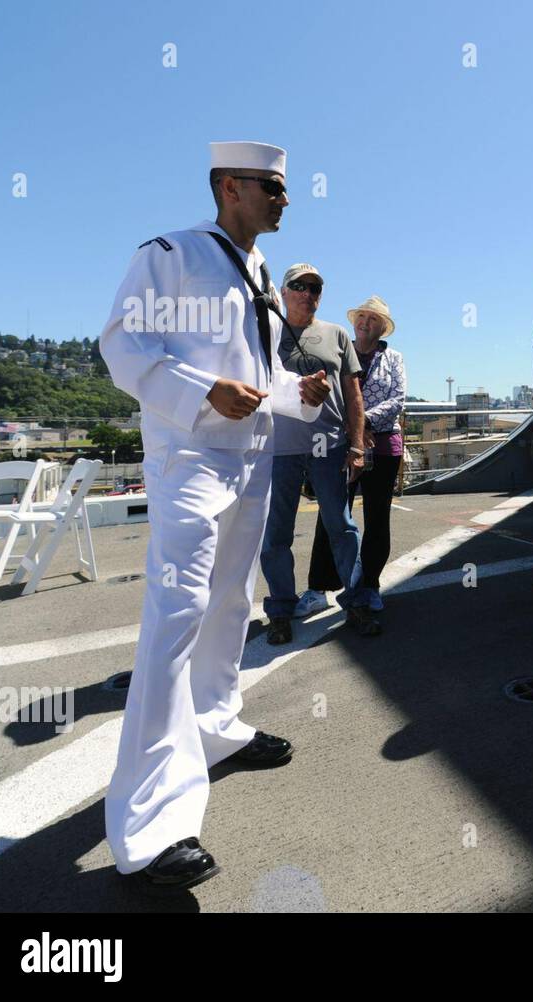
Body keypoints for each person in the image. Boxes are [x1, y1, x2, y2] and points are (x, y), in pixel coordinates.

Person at [100, 141, 332, 891]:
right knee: (177, 617)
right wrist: (203, 391)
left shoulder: (260, 272)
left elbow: (257, 377)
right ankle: (151, 825)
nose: (284, 199)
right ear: (230, 187)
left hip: (251, 458)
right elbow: (121, 345)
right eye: (272, 187)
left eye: (285, 189)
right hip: (192, 459)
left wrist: (300, 391)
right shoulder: (169, 253)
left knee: (234, 603)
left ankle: (217, 729)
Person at [260, 266, 380, 642]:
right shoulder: (266, 332)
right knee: (277, 532)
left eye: (315, 288)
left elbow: (354, 393)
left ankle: (357, 601)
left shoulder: (337, 335)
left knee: (341, 526)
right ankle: (281, 608)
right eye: (299, 286)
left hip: (329, 445)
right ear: (284, 290)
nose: (308, 293)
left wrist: (357, 445)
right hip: (279, 448)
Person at [306, 296, 409, 613]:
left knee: (378, 518)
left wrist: (363, 423)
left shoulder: (394, 359)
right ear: (354, 321)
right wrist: (353, 428)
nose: (366, 322)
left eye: (373, 319)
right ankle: (319, 587)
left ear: (383, 327)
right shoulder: (336, 355)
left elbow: (398, 399)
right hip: (343, 444)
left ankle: (369, 586)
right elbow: (328, 396)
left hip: (384, 445)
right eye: (362, 317)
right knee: (332, 514)